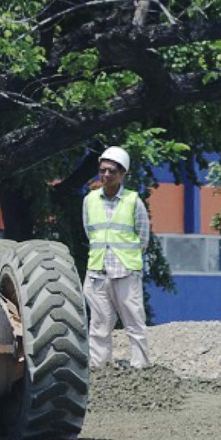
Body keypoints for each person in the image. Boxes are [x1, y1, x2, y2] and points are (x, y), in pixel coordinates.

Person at [82, 145, 150, 369]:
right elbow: (89, 232)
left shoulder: (133, 202)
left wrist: (128, 260)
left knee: (134, 321)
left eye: (112, 171)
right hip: (98, 271)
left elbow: (143, 238)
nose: (106, 175)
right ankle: (99, 367)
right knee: (99, 324)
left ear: (122, 173)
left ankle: (140, 367)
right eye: (103, 170)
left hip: (125, 271)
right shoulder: (90, 200)